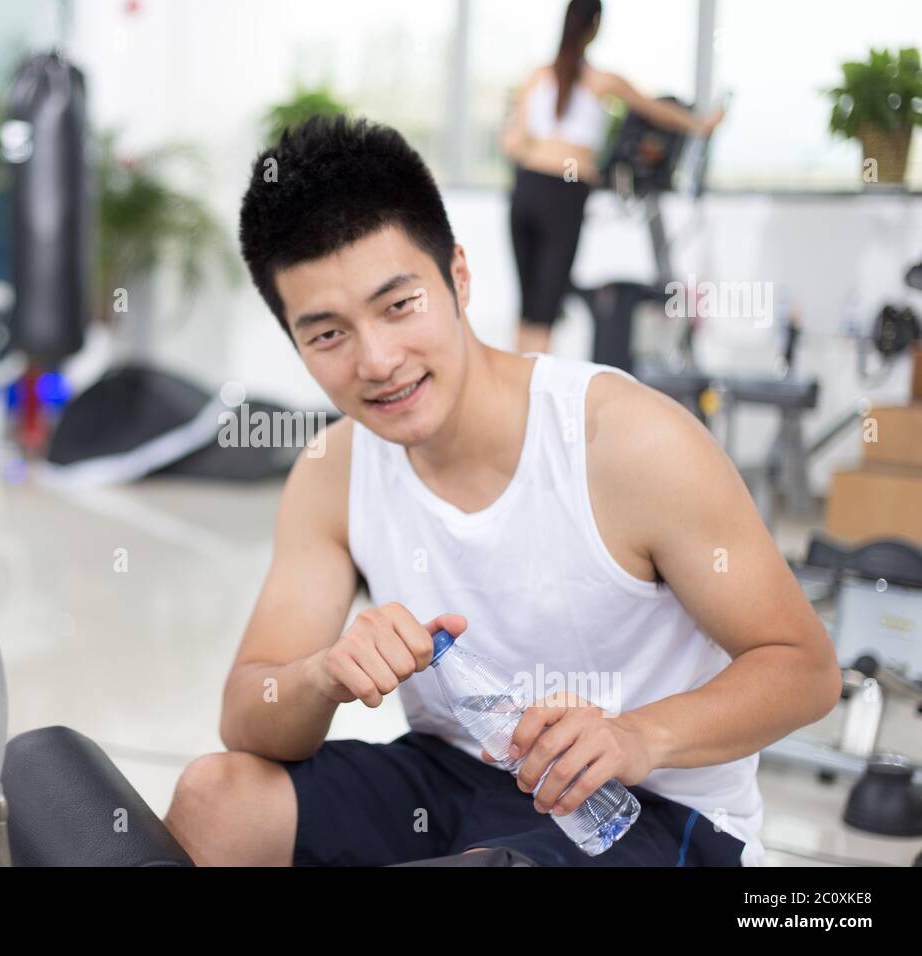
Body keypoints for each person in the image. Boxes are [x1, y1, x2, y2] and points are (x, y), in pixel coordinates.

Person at [161, 114, 840, 867]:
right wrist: (318, 677)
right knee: (214, 801)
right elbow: (246, 713)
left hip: (646, 808)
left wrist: (638, 735)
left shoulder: (629, 441)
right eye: (328, 334)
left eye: (398, 305)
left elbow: (805, 669)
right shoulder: (334, 469)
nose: (378, 360)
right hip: (454, 782)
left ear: (457, 275)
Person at [502, 0, 724, 355]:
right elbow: (657, 111)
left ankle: (513, 401)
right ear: (594, 27)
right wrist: (702, 124)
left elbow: (512, 142)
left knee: (528, 310)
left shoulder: (536, 77)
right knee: (545, 310)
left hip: (526, 187)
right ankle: (534, 403)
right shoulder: (601, 81)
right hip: (565, 190)